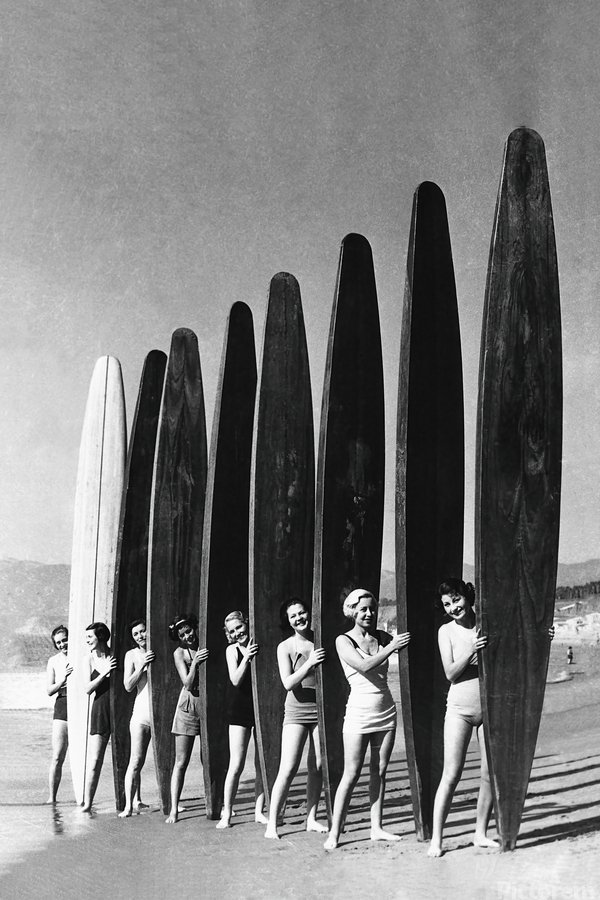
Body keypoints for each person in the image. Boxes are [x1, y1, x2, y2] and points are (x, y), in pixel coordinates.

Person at [427, 578, 556, 857]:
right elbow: (450, 673)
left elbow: (519, 642)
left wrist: (544, 635)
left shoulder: (487, 624)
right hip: (460, 710)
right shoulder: (445, 631)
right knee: (451, 774)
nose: (453, 607)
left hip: (491, 708)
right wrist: (472, 651)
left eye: (457, 599)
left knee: (488, 774)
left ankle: (480, 833)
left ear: (468, 596)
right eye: (447, 604)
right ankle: (436, 839)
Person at [323, 589, 410, 850]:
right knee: (351, 773)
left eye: (372, 608)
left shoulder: (382, 637)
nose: (369, 613)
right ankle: (334, 833)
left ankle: (376, 828)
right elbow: (364, 666)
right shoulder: (343, 640)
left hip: (386, 710)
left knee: (379, 771)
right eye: (363, 609)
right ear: (352, 611)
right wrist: (392, 647)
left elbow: (407, 645)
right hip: (358, 713)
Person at [264, 598, 327, 840]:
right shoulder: (285, 647)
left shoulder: (320, 640)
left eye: (302, 613)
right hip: (296, 711)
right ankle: (272, 824)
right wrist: (310, 663)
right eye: (294, 616)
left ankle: (311, 819)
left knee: (318, 765)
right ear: (288, 621)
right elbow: (288, 682)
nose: (300, 618)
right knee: (288, 767)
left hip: (320, 710)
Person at [216, 611, 266, 828]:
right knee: (236, 764)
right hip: (239, 709)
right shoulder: (232, 650)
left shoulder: (260, 643)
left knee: (261, 763)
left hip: (261, 707)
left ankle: (259, 812)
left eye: (240, 627)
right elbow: (235, 679)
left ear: (247, 623)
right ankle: (227, 813)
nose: (237, 633)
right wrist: (247, 657)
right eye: (232, 631)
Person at [165, 612, 209, 824]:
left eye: (189, 631)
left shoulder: (205, 643)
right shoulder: (180, 653)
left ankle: (213, 802)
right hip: (188, 706)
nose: (187, 636)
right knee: (181, 761)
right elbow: (188, 683)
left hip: (208, 705)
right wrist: (196, 663)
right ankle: (174, 809)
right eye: (182, 635)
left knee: (208, 759)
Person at [118, 619, 155, 817]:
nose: (141, 636)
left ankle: (170, 802)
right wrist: (142, 666)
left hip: (159, 714)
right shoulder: (131, 655)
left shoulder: (158, 649)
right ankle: (128, 806)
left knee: (166, 759)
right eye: (136, 634)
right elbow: (127, 686)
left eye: (143, 631)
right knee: (136, 760)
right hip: (141, 714)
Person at [82, 622, 117, 813]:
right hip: (100, 710)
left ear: (101, 636)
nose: (87, 640)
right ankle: (87, 804)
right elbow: (87, 688)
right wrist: (104, 673)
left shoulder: (115, 653)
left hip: (118, 709)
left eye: (90, 636)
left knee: (127, 756)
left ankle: (135, 800)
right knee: (95, 760)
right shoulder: (88, 659)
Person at [46, 625, 73, 803]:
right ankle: (52, 798)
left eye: (65, 640)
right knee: (57, 756)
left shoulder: (80, 655)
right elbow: (49, 690)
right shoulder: (53, 661)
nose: (62, 644)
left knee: (83, 755)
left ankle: (85, 798)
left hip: (81, 703)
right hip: (62, 703)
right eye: (59, 642)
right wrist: (62, 680)